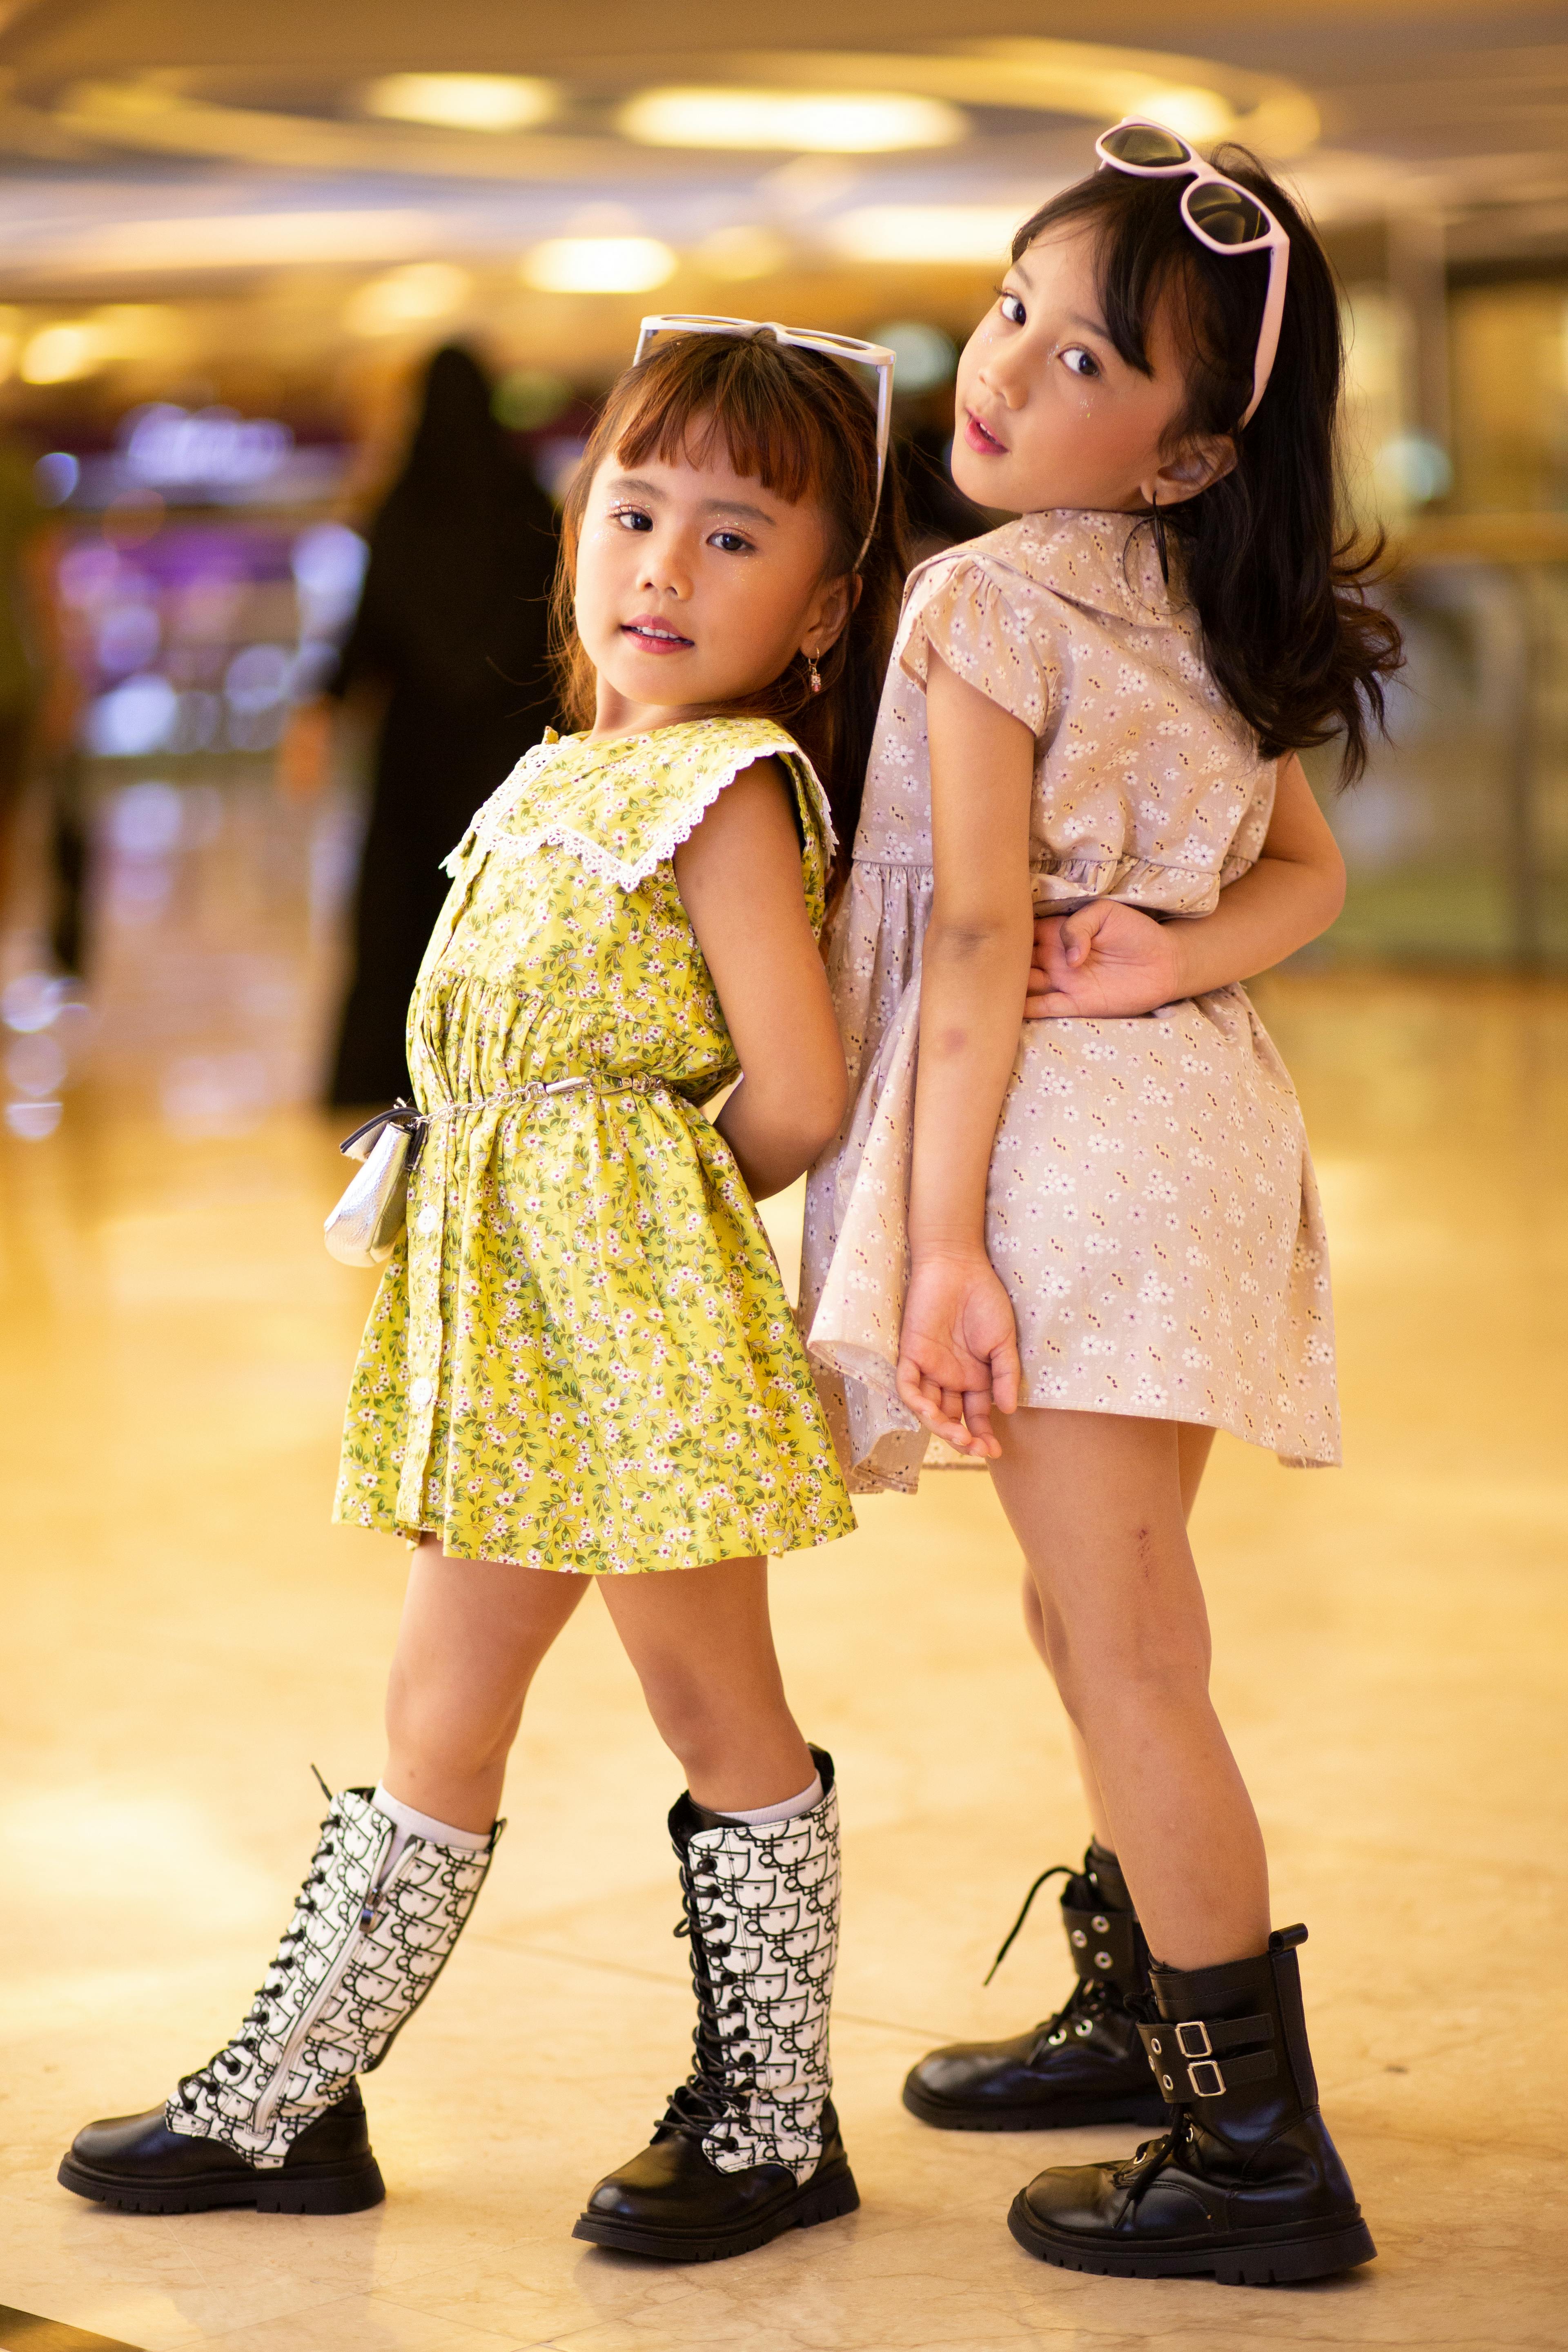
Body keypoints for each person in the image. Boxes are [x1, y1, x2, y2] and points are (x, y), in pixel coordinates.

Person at [59, 322, 907, 2263]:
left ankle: (777, 2117)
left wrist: (639, 1234)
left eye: (733, 537)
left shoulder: (730, 789)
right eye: (633, 513)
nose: (663, 571)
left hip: (639, 1347)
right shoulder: (543, 777)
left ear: (823, 601)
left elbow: (796, 1091)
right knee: (436, 1707)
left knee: (719, 1715)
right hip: (503, 1349)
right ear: (574, 528)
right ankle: (295, 2099)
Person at [803, 121, 1401, 2285]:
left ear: (1178, 455)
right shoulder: (1212, 603)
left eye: (1080, 364)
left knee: (1130, 1644)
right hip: (1199, 1138)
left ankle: (1259, 2159)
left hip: (1071, 1166)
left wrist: (942, 1239)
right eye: (1014, 311)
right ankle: (1149, 2001)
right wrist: (1173, 950)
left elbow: (972, 944)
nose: (1004, 369)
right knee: (1107, 1615)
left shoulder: (981, 597)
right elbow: (1306, 879)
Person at [281, 344, 560, 1106]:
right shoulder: (532, 507)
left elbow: (368, 628)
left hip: (415, 749)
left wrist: (323, 709)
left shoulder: (402, 510)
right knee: (503, 912)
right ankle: (500, 1066)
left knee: (403, 908)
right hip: (514, 751)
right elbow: (563, 634)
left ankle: (385, 1068)